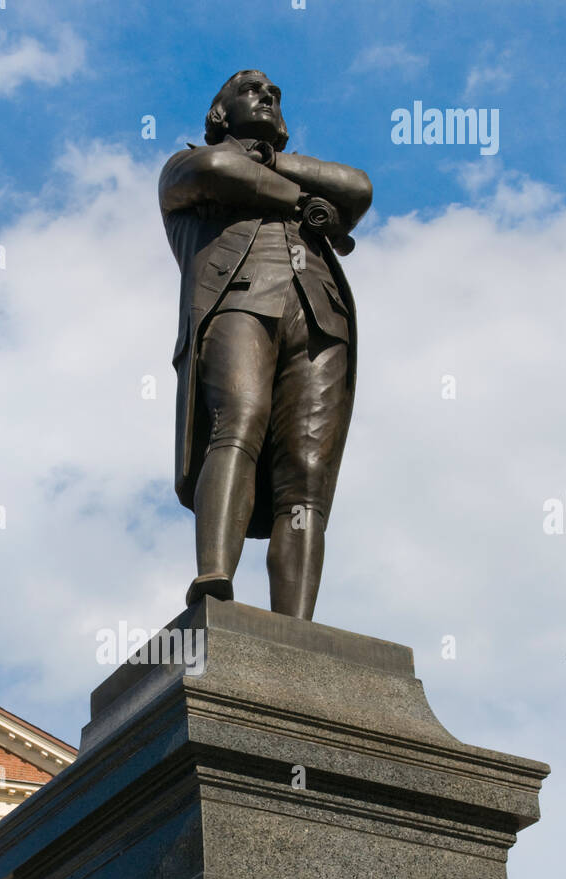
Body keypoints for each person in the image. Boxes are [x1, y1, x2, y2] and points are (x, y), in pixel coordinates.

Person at [159, 70, 372, 618]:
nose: (269, 96)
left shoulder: (282, 165)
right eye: (252, 90)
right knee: (240, 421)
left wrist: (276, 168)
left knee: (306, 477)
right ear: (218, 115)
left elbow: (357, 186)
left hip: (321, 319)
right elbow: (217, 168)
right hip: (241, 300)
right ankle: (214, 577)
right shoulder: (185, 167)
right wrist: (306, 202)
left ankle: (296, 627)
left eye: (275, 93)